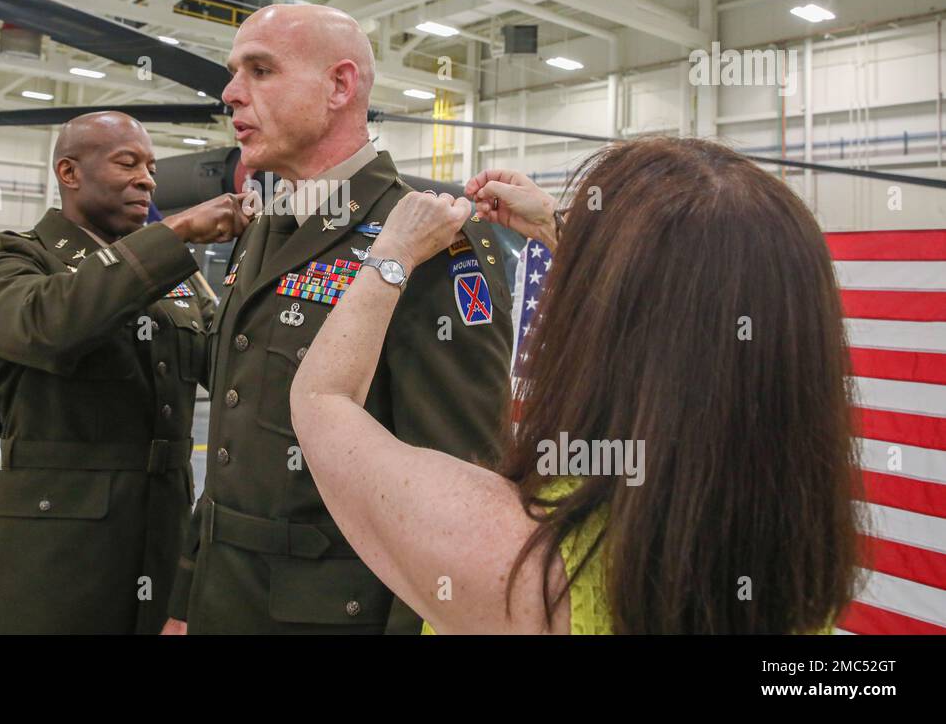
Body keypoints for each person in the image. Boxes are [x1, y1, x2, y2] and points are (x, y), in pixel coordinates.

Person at [290, 137, 862, 634]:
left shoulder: (512, 562)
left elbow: (322, 403)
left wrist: (392, 252)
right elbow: (681, 315)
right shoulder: (789, 559)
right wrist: (560, 233)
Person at [163, 4, 515, 634]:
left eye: (260, 70)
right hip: (226, 599)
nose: (230, 93)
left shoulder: (434, 237)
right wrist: (187, 596)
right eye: (232, 72)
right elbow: (231, 444)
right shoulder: (263, 228)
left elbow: (461, 482)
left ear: (340, 86)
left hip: (334, 613)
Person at [0, 111, 253, 633]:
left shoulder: (171, 281)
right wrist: (175, 232)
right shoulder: (6, 259)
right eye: (128, 163)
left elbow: (235, 366)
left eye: (152, 167)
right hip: (54, 543)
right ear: (69, 173)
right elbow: (48, 324)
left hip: (161, 532)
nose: (148, 178)